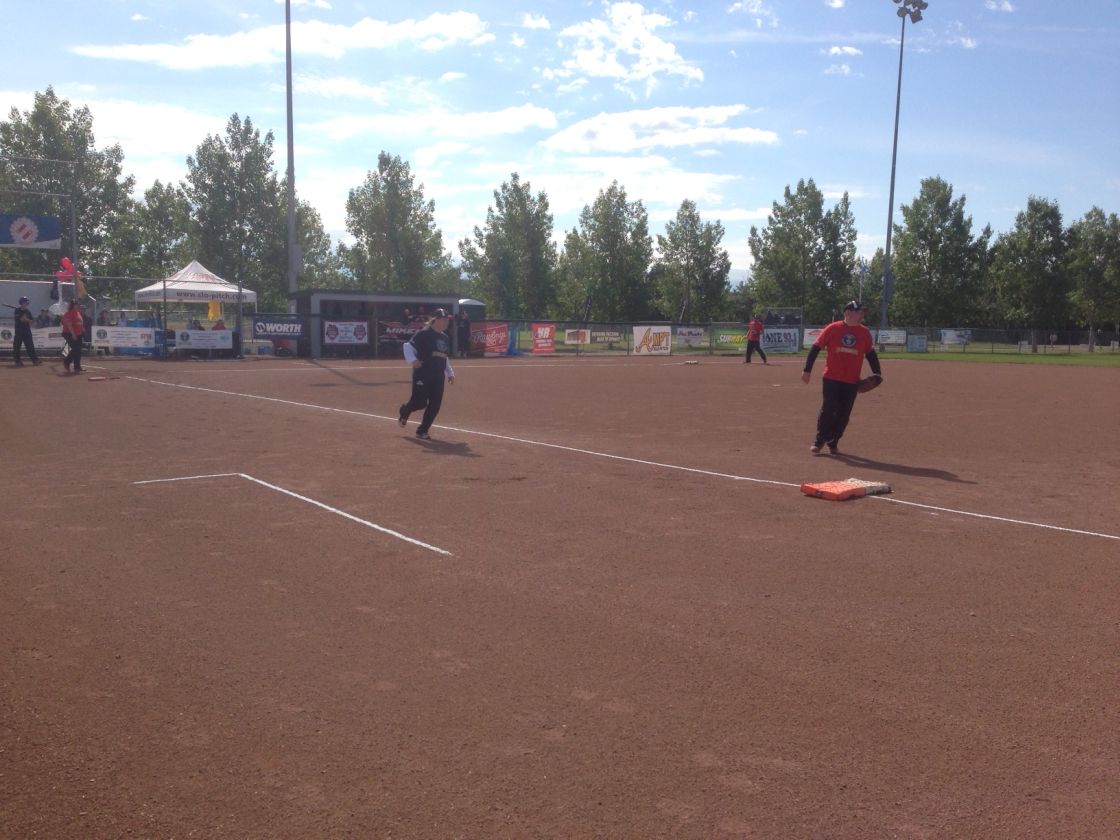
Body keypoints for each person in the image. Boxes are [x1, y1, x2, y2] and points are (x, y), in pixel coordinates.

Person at [801, 300, 882, 455]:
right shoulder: (833, 328)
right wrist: (807, 370)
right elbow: (815, 348)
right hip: (831, 377)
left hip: (851, 380)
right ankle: (819, 440)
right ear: (848, 312)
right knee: (828, 408)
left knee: (844, 413)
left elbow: (870, 354)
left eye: (862, 312)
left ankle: (833, 441)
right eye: (859, 311)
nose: (862, 314)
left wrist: (877, 373)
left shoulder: (864, 332)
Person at [398, 308, 455, 441]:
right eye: (445, 320)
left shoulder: (445, 338)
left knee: (435, 404)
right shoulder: (424, 334)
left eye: (448, 320)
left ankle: (422, 431)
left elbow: (444, 357)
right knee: (420, 402)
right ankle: (405, 411)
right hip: (423, 373)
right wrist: (413, 360)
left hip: (438, 376)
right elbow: (407, 346)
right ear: (436, 320)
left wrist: (450, 373)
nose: (447, 322)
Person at [11, 296, 41, 366]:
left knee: (30, 346)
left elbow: (31, 321)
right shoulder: (17, 310)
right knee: (17, 347)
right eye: (24, 302)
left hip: (27, 331)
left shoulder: (28, 311)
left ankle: (35, 360)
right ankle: (17, 361)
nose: (26, 304)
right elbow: (20, 320)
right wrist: (24, 318)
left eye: (26, 303)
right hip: (19, 331)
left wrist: (26, 319)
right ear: (21, 303)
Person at [61, 299, 85, 374]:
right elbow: (69, 325)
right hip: (69, 333)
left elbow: (79, 323)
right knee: (75, 349)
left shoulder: (78, 313)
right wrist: (73, 334)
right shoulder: (68, 313)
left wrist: (82, 329)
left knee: (78, 351)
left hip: (78, 334)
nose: (77, 305)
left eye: (77, 304)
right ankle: (67, 361)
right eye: (75, 304)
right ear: (72, 305)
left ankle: (77, 367)